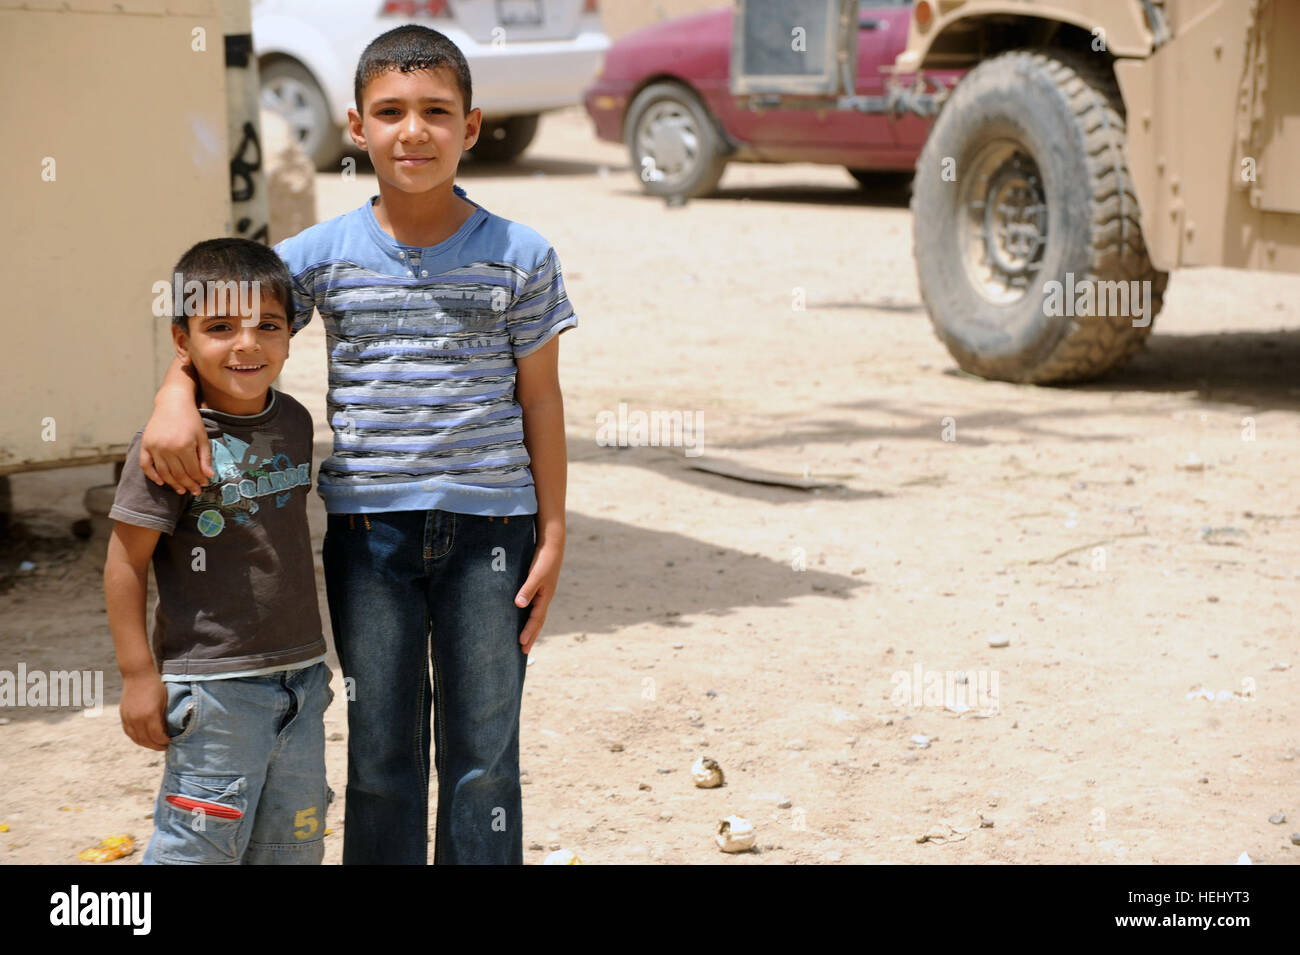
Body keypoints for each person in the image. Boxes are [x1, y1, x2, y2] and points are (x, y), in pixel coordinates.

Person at [136, 25, 576, 864]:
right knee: (380, 754)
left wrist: (552, 532)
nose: (415, 130)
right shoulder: (318, 256)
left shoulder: (522, 256)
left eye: (437, 112)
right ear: (356, 126)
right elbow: (223, 323)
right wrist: (171, 392)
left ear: (472, 127)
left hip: (495, 535)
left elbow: (542, 399)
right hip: (367, 538)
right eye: (392, 112)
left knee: (486, 758)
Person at [103, 238, 333, 864]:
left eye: (268, 326)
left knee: (293, 845)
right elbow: (126, 563)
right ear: (183, 340)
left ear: (290, 335)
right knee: (198, 850)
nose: (247, 344)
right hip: (213, 689)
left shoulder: (295, 421)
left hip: (303, 682)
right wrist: (137, 675)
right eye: (220, 327)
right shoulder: (167, 445)